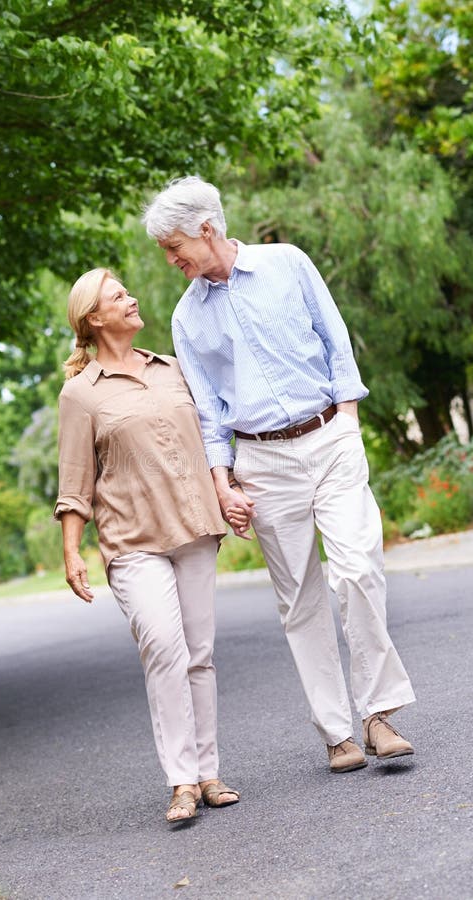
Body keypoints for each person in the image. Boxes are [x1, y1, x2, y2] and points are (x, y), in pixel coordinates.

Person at [143, 176, 417, 773]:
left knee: (358, 568)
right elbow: (209, 410)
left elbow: (334, 334)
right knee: (299, 599)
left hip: (329, 435)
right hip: (261, 460)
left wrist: (346, 413)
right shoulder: (187, 318)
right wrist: (224, 481)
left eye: (173, 247)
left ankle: (380, 712)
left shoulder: (286, 263)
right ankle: (338, 733)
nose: (170, 260)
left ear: (205, 229)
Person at [53, 267, 243, 822]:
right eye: (119, 296)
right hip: (132, 540)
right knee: (165, 647)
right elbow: (74, 482)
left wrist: (226, 489)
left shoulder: (174, 370)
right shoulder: (80, 395)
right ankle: (180, 781)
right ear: (95, 317)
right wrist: (72, 551)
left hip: (192, 527)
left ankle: (208, 775)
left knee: (199, 654)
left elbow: (211, 436)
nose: (131, 298)